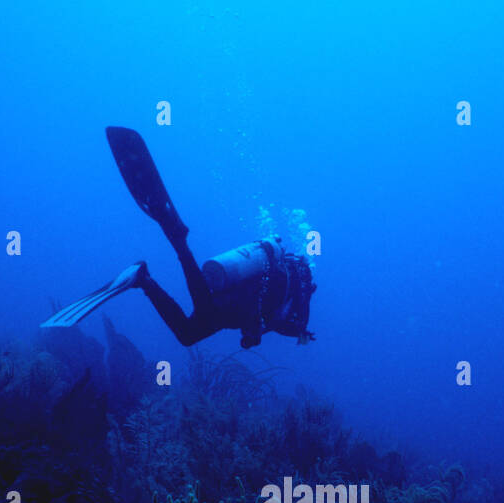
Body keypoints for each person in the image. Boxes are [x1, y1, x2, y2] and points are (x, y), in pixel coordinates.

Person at [43, 127, 316, 349]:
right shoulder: (300, 291)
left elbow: (270, 317)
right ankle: (176, 241)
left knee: (188, 335)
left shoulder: (286, 280)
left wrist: (258, 329)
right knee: (204, 310)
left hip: (231, 305)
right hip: (233, 307)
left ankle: (145, 278)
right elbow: (284, 320)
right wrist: (298, 331)